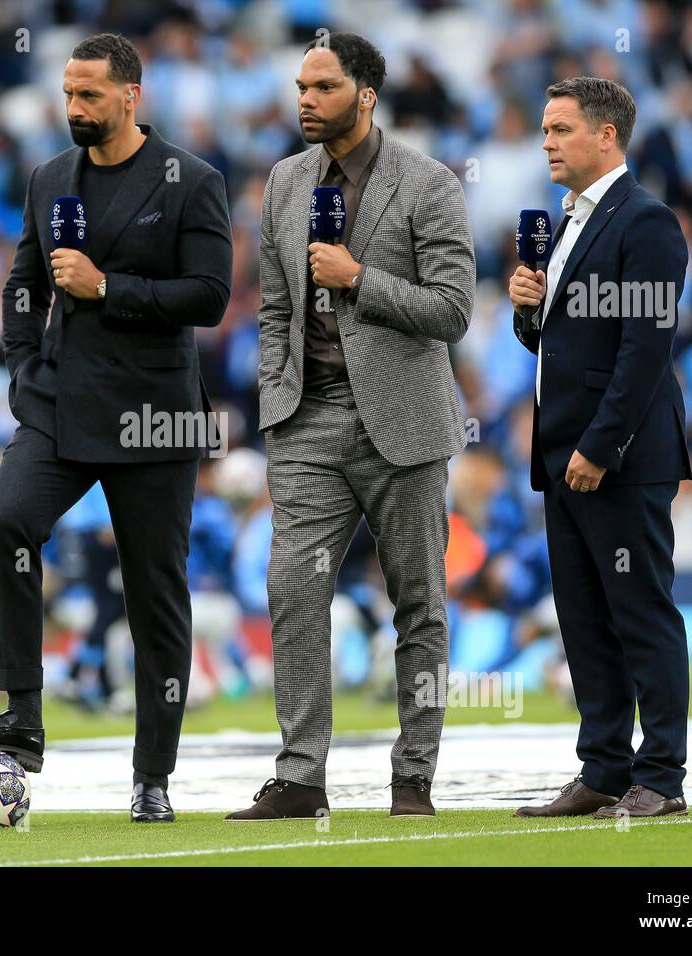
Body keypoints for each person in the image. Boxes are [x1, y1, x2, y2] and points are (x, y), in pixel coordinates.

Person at [0, 33, 232, 824]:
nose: (75, 108)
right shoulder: (48, 178)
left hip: (154, 413)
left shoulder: (192, 181)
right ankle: (24, 718)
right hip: (60, 404)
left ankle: (153, 776)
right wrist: (25, 368)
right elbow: (23, 285)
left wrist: (108, 288)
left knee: (153, 594)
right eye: (69, 93)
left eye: (90, 94)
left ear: (131, 97)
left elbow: (208, 295)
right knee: (5, 522)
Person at [229, 33, 474, 821]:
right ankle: (300, 778)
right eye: (300, 85)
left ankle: (413, 779)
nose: (304, 99)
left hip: (404, 422)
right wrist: (276, 399)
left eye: (323, 87)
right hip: (307, 420)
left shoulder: (429, 183)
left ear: (365, 95)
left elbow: (454, 310)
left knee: (419, 604)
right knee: (292, 592)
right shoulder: (284, 182)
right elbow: (274, 308)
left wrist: (360, 279)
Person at [508, 76, 691, 819]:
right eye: (545, 129)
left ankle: (663, 777)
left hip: (617, 458)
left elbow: (644, 350)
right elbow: (556, 347)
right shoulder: (567, 223)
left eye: (559, 129)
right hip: (564, 457)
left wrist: (601, 446)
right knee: (584, 619)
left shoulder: (646, 222)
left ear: (606, 135)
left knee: (640, 613)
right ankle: (603, 768)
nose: (545, 141)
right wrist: (528, 311)